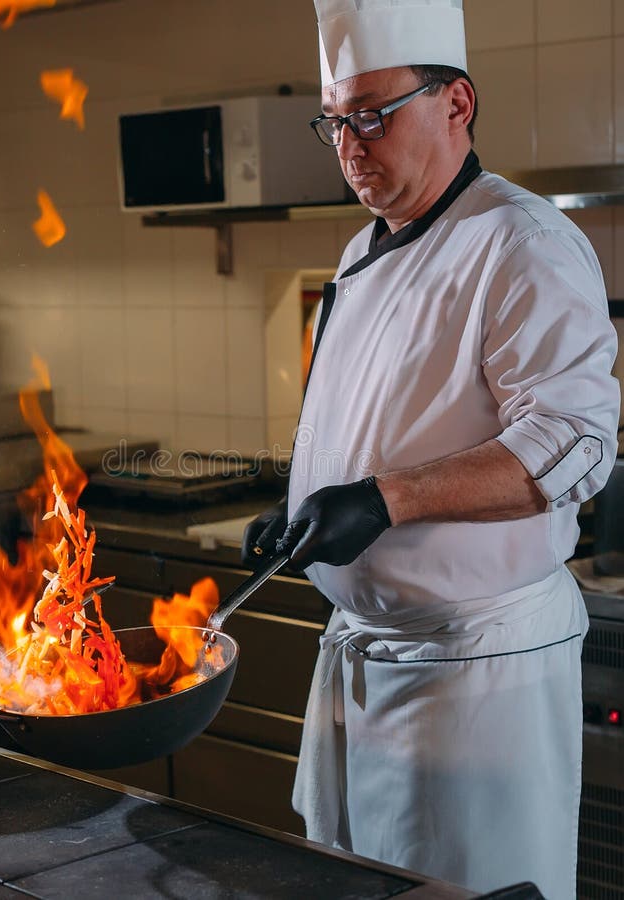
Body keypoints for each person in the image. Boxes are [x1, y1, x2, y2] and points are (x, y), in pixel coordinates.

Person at [241, 1, 621, 896]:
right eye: (335, 121)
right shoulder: (359, 248)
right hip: (364, 658)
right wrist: (307, 504)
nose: (349, 144)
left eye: (373, 115)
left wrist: (379, 502)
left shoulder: (520, 242)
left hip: (471, 676)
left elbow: (570, 445)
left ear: (456, 104)